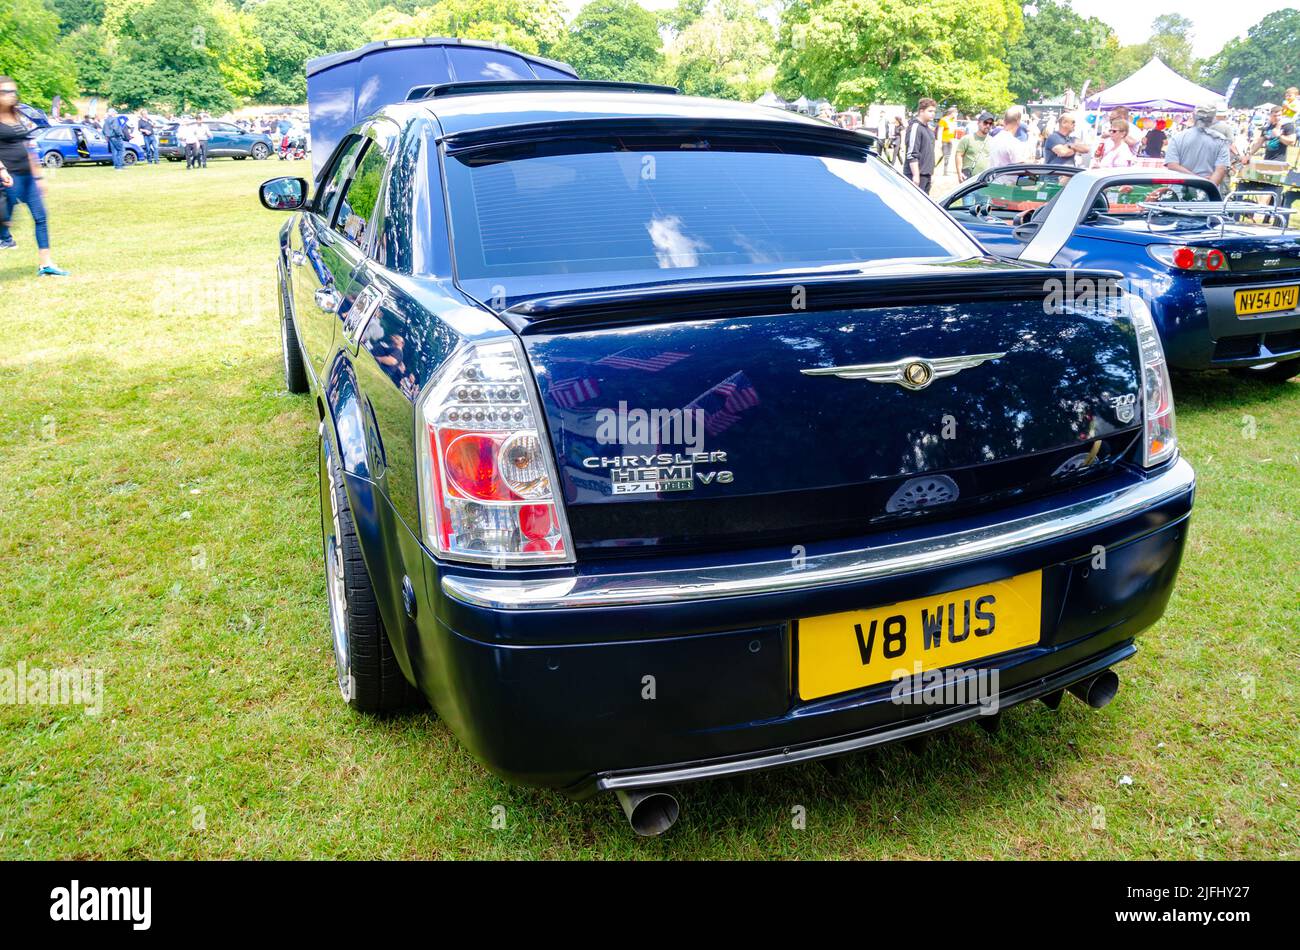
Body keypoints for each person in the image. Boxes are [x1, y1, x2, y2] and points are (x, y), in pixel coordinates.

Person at [0, 77, 68, 275]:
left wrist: (38, 177)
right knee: (4, 223)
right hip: (7, 177)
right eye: (6, 92)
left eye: (13, 91)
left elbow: (28, 147)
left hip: (27, 176)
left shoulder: (17, 116)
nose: (11, 95)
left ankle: (45, 264)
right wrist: (2, 171)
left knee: (41, 217)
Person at [1165, 104, 1232, 186]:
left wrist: (1196, 179)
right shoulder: (1220, 140)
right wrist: (1206, 185)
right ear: (1213, 118)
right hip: (1207, 193)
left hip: (1179, 190)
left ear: (1193, 116)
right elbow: (1221, 169)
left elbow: (1172, 165)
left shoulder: (1177, 138)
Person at [903, 97, 937, 193]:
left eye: (934, 111)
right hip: (916, 174)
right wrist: (916, 175)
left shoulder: (928, 129)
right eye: (930, 111)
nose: (933, 114)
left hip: (926, 174)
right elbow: (912, 153)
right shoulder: (915, 126)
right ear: (921, 111)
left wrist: (931, 173)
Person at [956, 111, 994, 181]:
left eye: (990, 123)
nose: (988, 125)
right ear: (978, 123)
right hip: (968, 177)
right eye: (985, 122)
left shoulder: (993, 141)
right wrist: (959, 173)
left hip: (985, 178)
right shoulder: (967, 138)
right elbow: (959, 155)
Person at [937, 106, 959, 175]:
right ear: (952, 113)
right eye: (956, 113)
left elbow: (954, 130)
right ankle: (938, 167)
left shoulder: (953, 121)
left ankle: (945, 171)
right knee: (944, 155)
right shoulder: (944, 120)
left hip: (950, 141)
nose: (956, 114)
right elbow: (940, 131)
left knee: (948, 156)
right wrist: (939, 141)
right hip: (944, 140)